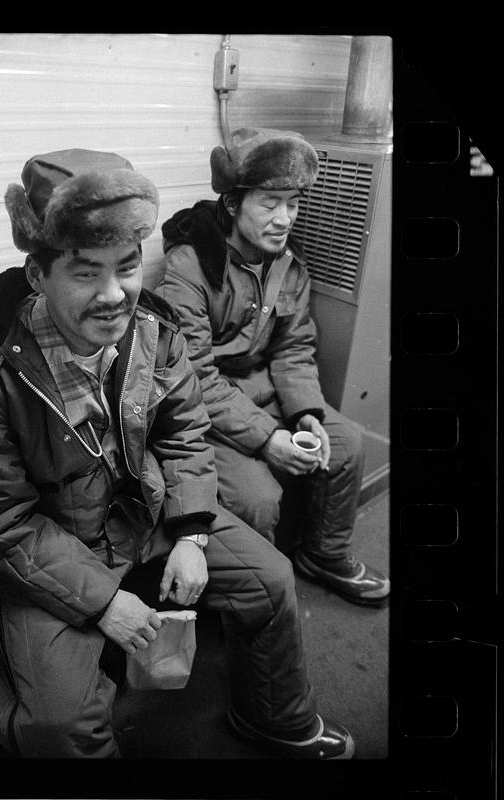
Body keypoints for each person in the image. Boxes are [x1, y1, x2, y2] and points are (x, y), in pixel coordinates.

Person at [0, 147, 355, 759]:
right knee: (58, 726)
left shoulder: (154, 333)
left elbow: (184, 433)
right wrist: (105, 602)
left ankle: (275, 718)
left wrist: (191, 534)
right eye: (85, 273)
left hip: (146, 516)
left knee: (271, 580)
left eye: (127, 267)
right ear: (37, 274)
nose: (113, 295)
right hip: (53, 544)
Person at [155, 128, 390, 606]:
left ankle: (322, 555)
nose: (284, 218)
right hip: (207, 411)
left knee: (345, 443)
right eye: (269, 202)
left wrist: (307, 413)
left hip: (264, 394)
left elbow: (294, 348)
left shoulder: (287, 264)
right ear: (234, 203)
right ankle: (251, 600)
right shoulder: (189, 267)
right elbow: (193, 377)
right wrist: (266, 437)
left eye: (293, 203)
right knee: (256, 498)